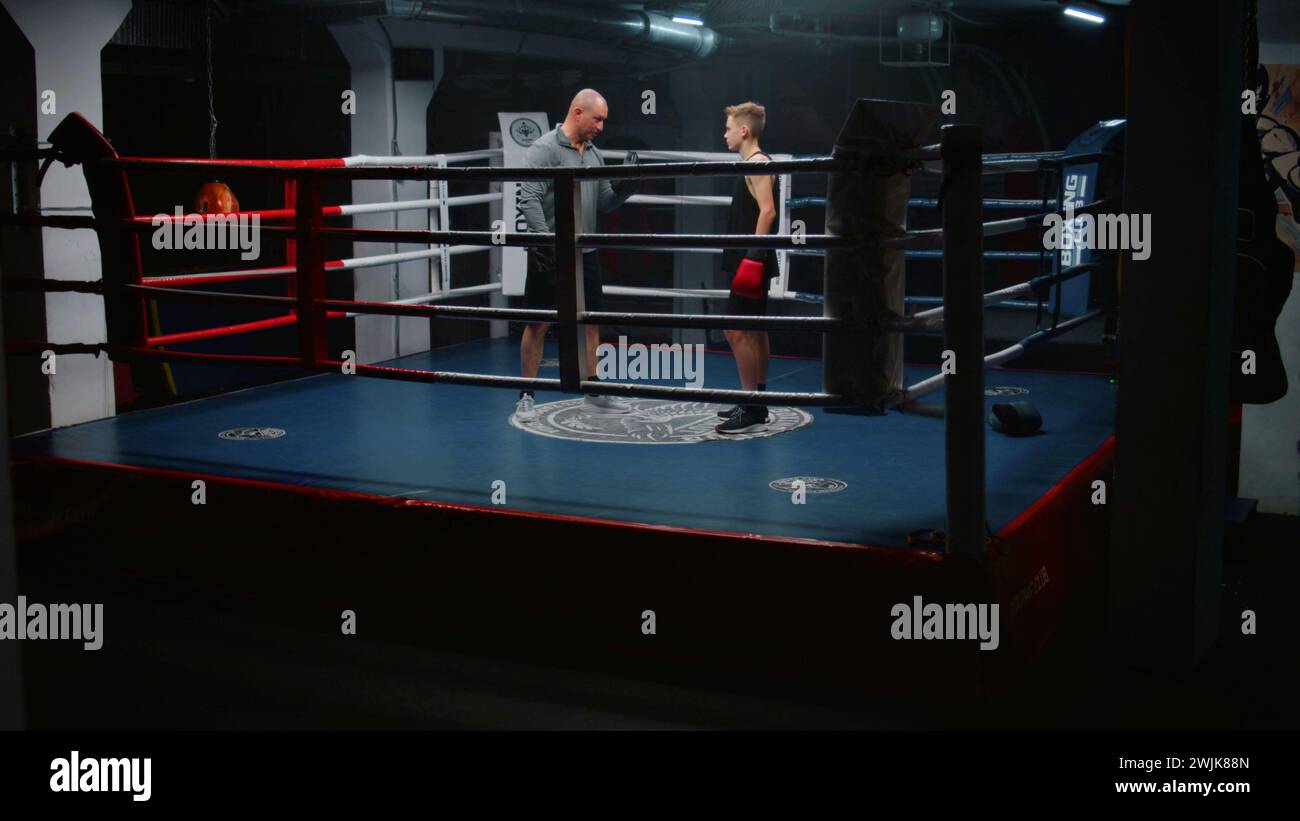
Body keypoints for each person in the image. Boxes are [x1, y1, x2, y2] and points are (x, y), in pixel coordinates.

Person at [514, 88, 639, 422]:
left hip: (586, 251)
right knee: (539, 323)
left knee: (591, 322)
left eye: (604, 121)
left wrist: (627, 185)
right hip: (550, 251)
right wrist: (546, 244)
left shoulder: (594, 154)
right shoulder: (544, 149)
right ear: (577, 112)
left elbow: (605, 201)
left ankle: (594, 389)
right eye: (597, 119)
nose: (601, 126)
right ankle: (526, 394)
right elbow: (528, 199)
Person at [715, 102, 780, 435]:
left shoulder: (757, 164)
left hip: (751, 258)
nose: (724, 134)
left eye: (728, 128)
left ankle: (751, 404)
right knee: (753, 329)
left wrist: (753, 257)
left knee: (736, 330)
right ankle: (757, 400)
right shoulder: (756, 163)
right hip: (753, 258)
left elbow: (767, 212)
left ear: (743, 130)